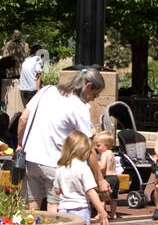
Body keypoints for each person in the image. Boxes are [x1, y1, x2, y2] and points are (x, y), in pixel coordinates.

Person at [17, 68, 110, 213]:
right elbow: (89, 148)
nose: (93, 99)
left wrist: (20, 144)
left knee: (31, 207)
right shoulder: (79, 107)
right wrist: (100, 179)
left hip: (31, 159)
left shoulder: (46, 90)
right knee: (54, 207)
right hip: (55, 162)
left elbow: (23, 118)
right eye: (95, 95)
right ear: (88, 86)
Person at [54, 130, 109, 225]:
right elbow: (91, 191)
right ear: (83, 150)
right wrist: (101, 211)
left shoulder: (60, 167)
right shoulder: (83, 168)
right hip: (80, 209)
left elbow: (57, 191)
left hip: (63, 209)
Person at [94, 130, 119, 219]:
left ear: (107, 145)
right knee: (113, 198)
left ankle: (100, 213)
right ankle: (113, 214)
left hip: (107, 178)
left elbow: (103, 167)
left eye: (98, 145)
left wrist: (97, 166)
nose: (96, 148)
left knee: (102, 197)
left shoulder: (104, 154)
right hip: (115, 177)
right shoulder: (111, 153)